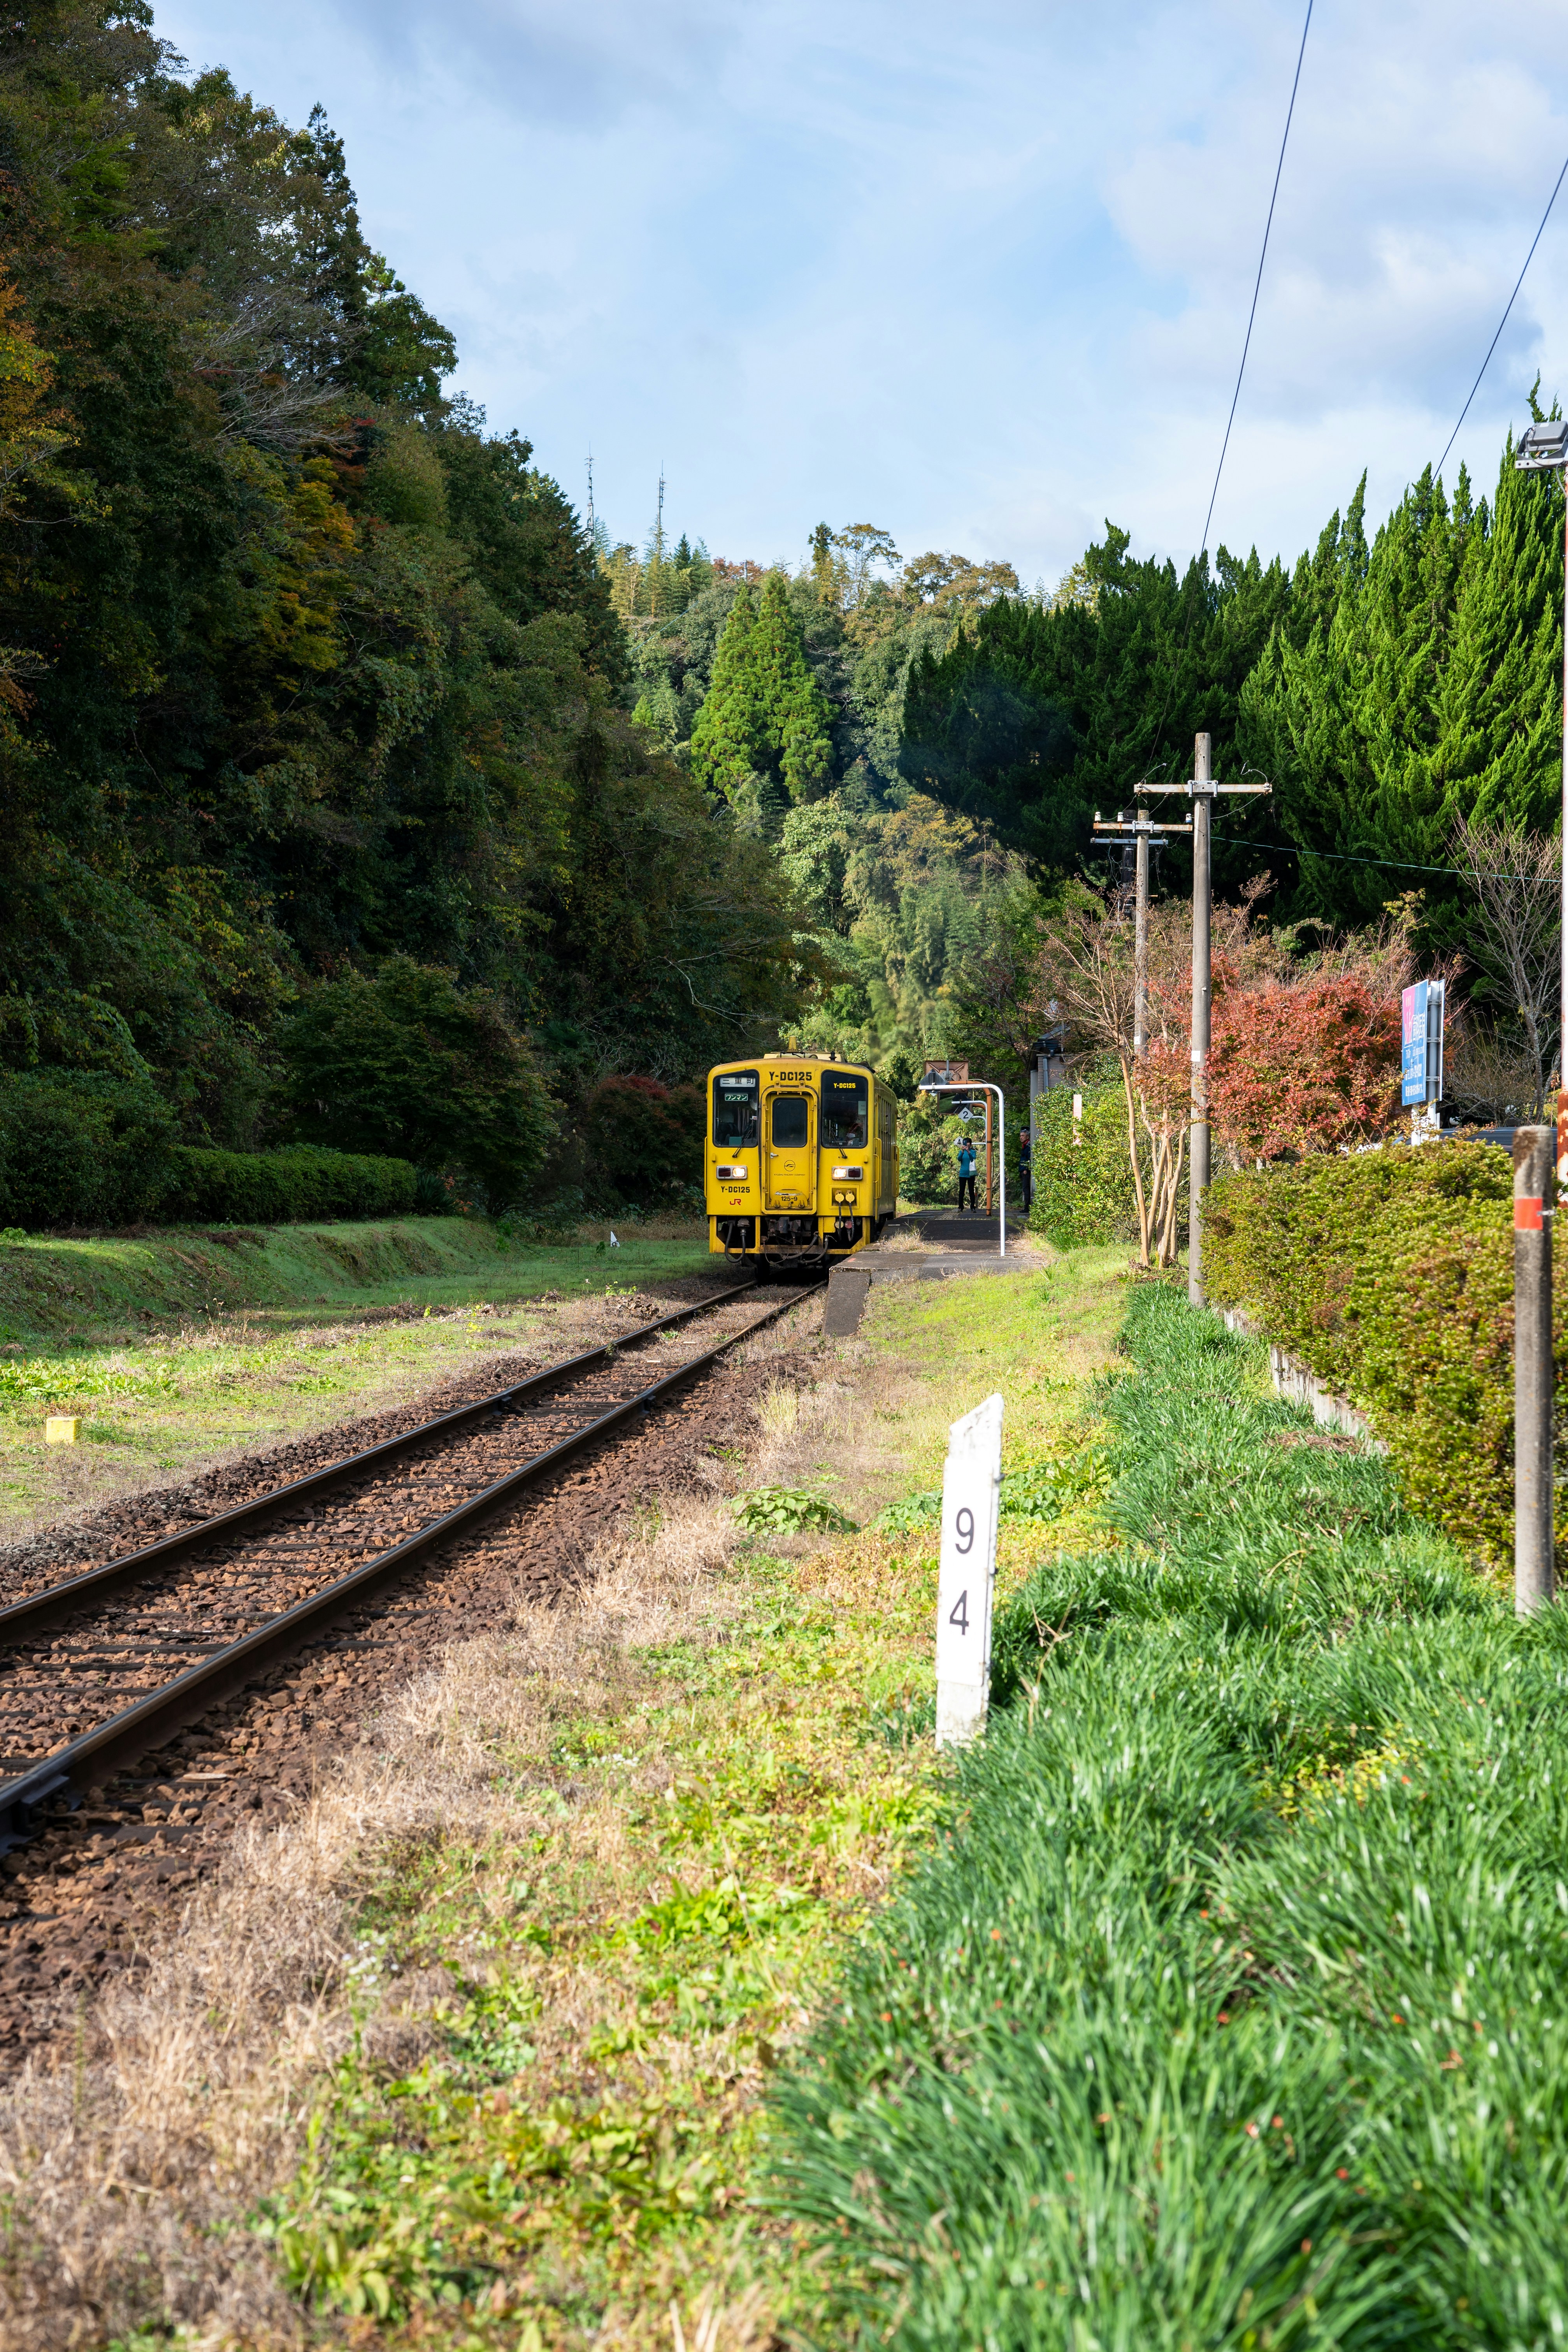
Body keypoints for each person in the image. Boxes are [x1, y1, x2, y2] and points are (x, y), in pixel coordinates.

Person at [957, 1138, 978, 1212]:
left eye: (968, 1143)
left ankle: (973, 1207)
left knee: (971, 1191)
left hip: (971, 1174)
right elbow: (959, 1159)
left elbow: (973, 1160)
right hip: (963, 1174)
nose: (967, 1144)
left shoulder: (973, 1152)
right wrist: (963, 1151)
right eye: (966, 1143)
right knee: (961, 1191)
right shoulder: (961, 1152)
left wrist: (969, 1152)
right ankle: (960, 1207)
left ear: (971, 1144)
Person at [1018, 1128, 1033, 1214]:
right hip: (1022, 1171)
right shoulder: (1025, 1147)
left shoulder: (1028, 1147)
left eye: (1023, 1136)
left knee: (1026, 1189)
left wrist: (1026, 1169)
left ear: (1027, 1137)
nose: (1021, 1137)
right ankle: (1026, 1206)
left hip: (1025, 1171)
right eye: (1020, 1136)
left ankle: (1027, 1207)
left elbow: (1029, 1159)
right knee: (1025, 1189)